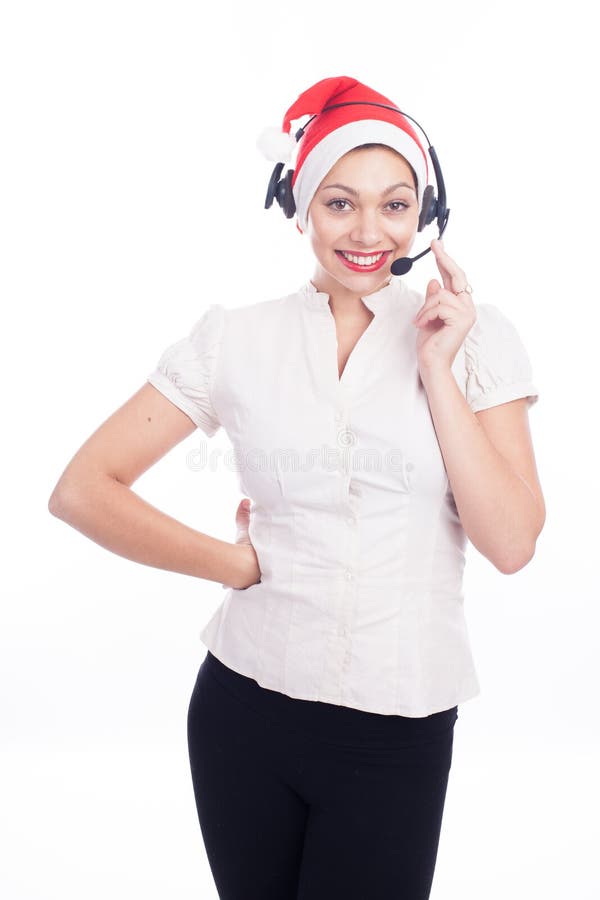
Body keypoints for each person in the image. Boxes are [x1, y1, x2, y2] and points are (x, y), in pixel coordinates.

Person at [48, 75, 546, 899]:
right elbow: (82, 489)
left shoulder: (472, 335)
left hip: (396, 725)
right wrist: (230, 564)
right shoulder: (234, 341)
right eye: (341, 203)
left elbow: (513, 543)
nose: (367, 232)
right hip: (242, 711)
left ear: (425, 214)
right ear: (303, 205)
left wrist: (437, 368)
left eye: (396, 205)